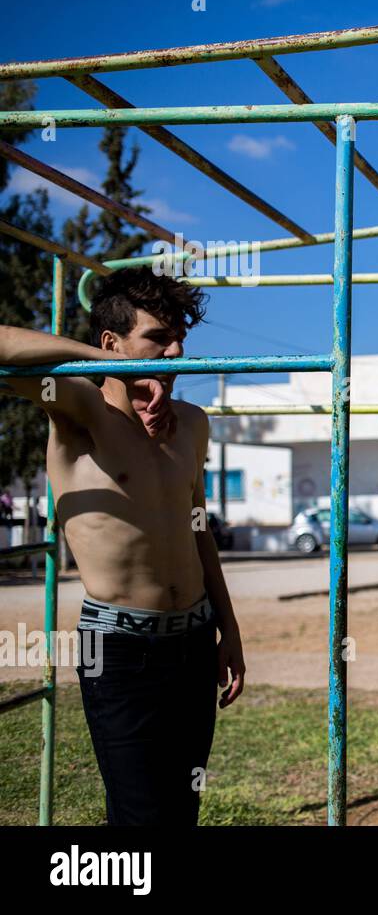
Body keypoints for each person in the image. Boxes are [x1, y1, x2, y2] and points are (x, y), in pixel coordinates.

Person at [0, 268, 246, 824]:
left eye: (180, 337)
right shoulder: (80, 410)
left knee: (181, 808)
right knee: (140, 816)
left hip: (193, 640)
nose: (176, 351)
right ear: (112, 343)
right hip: (120, 650)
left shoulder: (191, 424)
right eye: (158, 338)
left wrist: (228, 629)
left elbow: (198, 529)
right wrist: (106, 365)